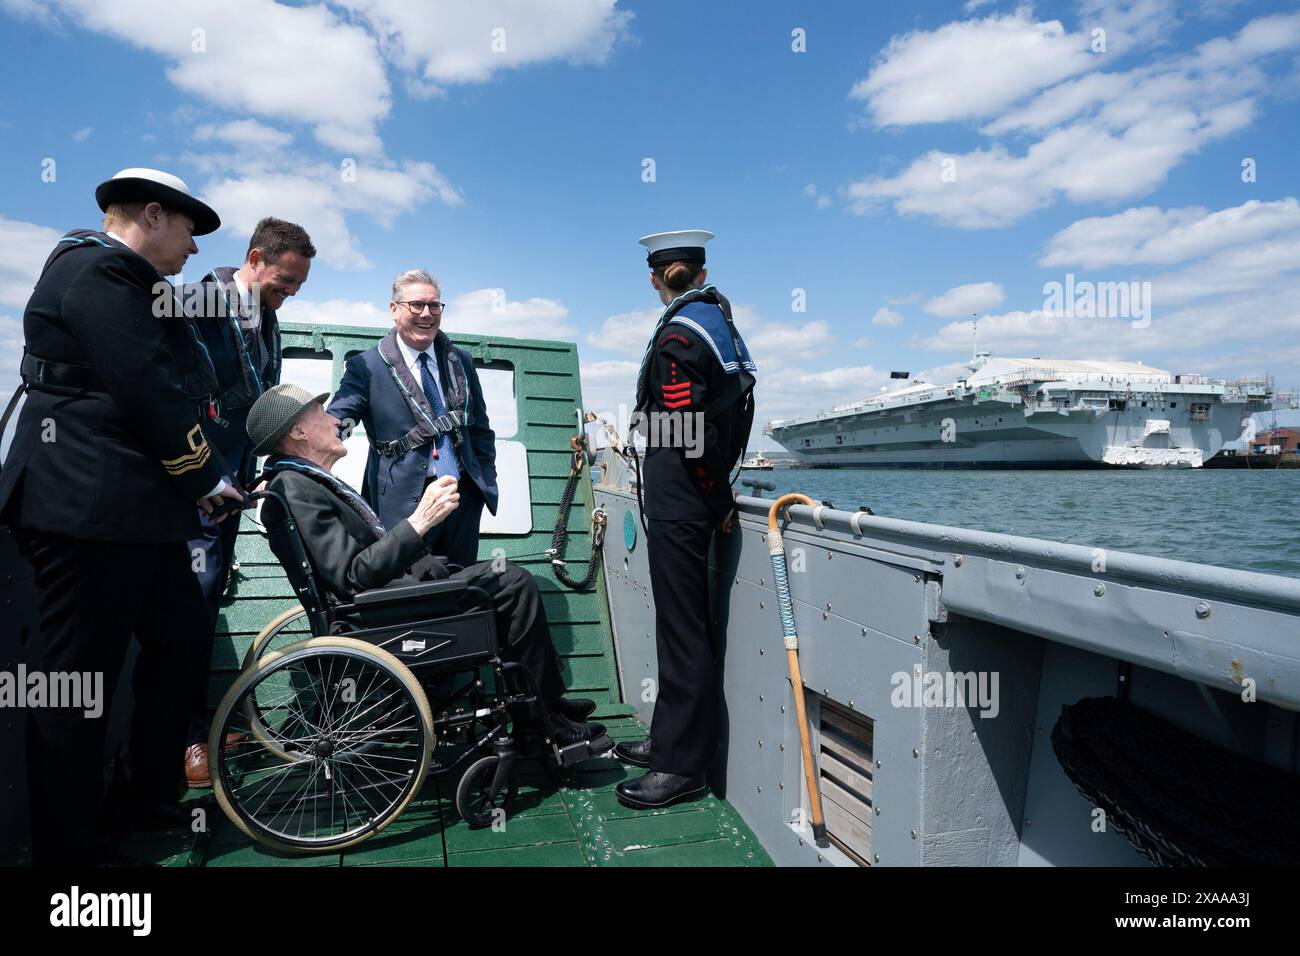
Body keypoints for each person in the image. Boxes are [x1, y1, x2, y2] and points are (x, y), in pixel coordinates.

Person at [0, 168, 244, 865]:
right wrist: (207, 479)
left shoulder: (127, 281)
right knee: (77, 681)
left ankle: (141, 795)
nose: (194, 252)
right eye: (190, 235)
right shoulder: (97, 273)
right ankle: (68, 847)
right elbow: (147, 390)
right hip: (84, 506)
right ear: (154, 214)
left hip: (139, 511)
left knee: (180, 640)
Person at [245, 383, 604, 746]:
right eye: (322, 413)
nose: (335, 420)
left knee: (499, 578)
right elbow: (350, 577)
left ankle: (545, 705)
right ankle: (540, 722)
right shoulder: (296, 487)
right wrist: (420, 522)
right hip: (375, 615)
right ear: (299, 431)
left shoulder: (302, 482)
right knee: (512, 582)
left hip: (385, 600)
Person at [614, 230, 756, 810]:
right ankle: (669, 740)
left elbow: (686, 430)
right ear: (699, 271)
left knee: (682, 632)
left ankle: (682, 768)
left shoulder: (678, 332)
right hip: (693, 495)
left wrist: (716, 499)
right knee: (681, 626)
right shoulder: (713, 318)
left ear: (656, 278)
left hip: (683, 501)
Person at [179, 217, 315, 789]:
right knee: (182, 608)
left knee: (205, 605)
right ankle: (182, 741)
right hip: (191, 486)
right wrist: (203, 479)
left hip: (232, 486)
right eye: (284, 282)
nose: (288, 295)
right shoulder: (195, 302)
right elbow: (173, 397)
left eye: (297, 288)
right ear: (255, 258)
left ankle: (191, 723)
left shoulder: (266, 315)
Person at [327, 270, 497, 569]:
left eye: (434, 306)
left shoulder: (462, 361)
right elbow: (341, 419)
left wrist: (484, 483)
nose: (426, 314)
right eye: (416, 305)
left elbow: (480, 429)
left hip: (461, 499)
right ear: (394, 309)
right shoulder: (365, 367)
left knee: (462, 587)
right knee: (409, 589)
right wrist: (316, 446)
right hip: (402, 504)